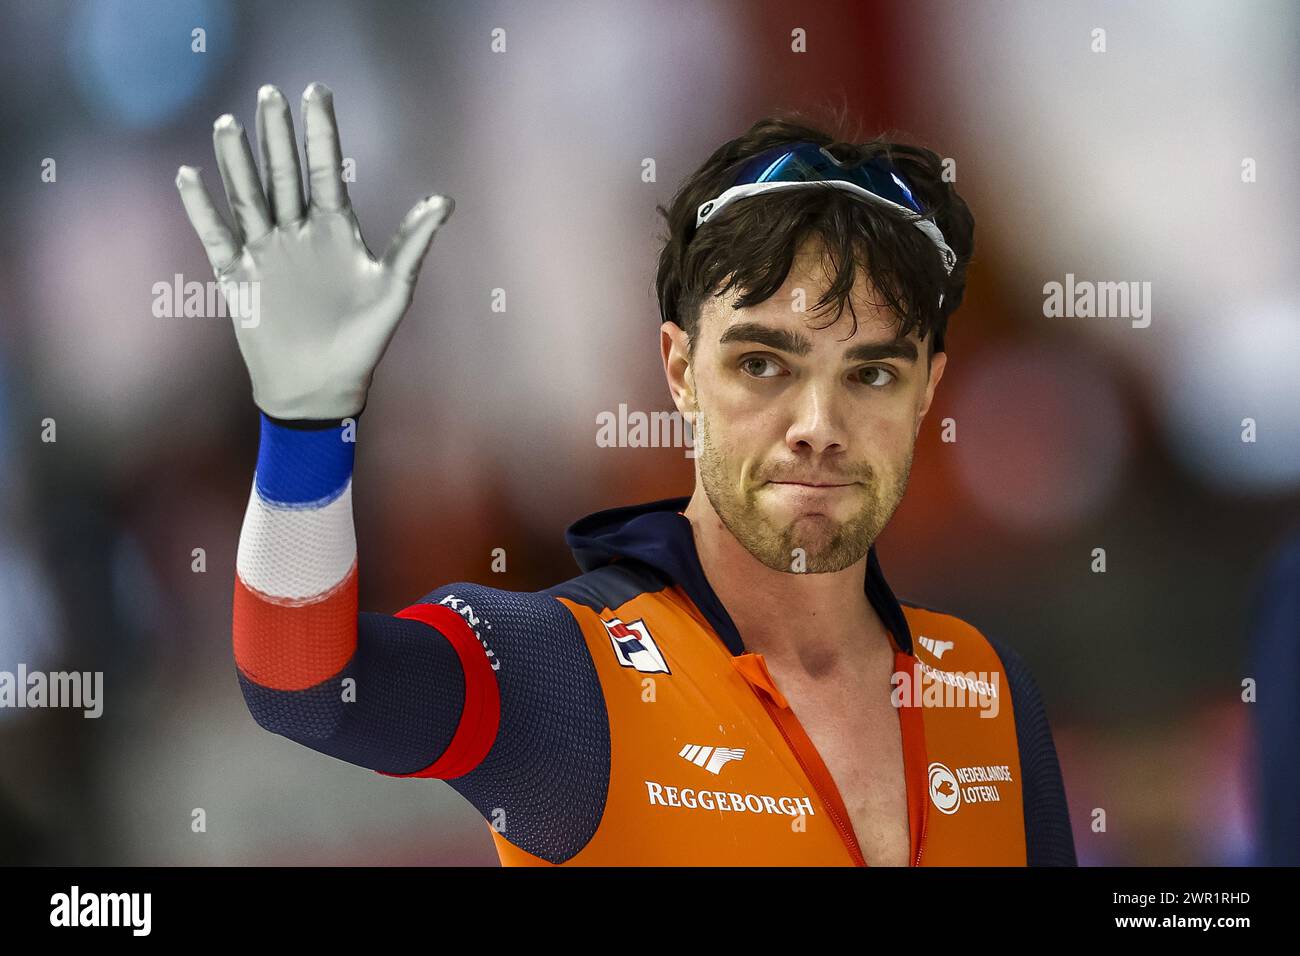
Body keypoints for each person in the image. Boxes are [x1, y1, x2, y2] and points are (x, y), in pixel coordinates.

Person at [177, 81, 1076, 866]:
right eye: (764, 364)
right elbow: (306, 691)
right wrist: (304, 422)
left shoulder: (989, 686)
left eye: (871, 374)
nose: (818, 427)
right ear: (680, 371)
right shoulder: (568, 678)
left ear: (928, 393)